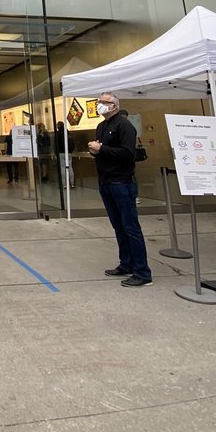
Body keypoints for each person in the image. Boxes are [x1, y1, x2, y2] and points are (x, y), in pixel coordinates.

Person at [87, 92, 152, 288]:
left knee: (130, 227)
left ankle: (142, 272)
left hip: (121, 182)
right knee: (118, 226)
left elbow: (127, 153)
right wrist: (95, 151)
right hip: (106, 182)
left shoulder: (124, 126)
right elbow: (103, 150)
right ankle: (126, 264)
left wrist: (101, 150)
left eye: (103, 102)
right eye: (99, 102)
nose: (100, 105)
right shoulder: (101, 126)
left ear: (113, 106)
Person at [55, 121, 75, 190]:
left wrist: (56, 153)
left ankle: (64, 184)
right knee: (70, 168)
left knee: (63, 168)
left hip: (61, 153)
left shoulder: (58, 134)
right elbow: (72, 143)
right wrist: (70, 151)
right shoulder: (68, 133)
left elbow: (56, 144)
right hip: (69, 153)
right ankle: (72, 183)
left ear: (58, 126)